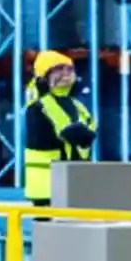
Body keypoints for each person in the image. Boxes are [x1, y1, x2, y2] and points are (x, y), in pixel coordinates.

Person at [23, 50, 95, 206]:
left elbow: (89, 129)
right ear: (44, 75)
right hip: (46, 185)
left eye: (69, 69)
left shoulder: (77, 105)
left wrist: (86, 133)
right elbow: (67, 132)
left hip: (74, 181)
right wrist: (82, 133)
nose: (66, 73)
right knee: (47, 228)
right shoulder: (39, 105)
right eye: (58, 69)